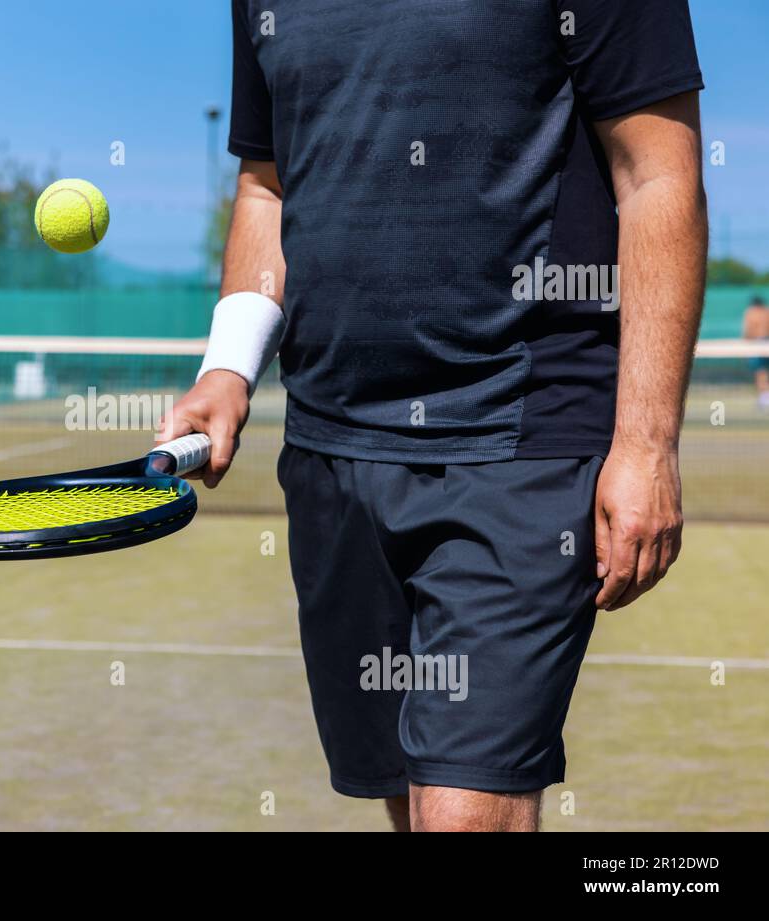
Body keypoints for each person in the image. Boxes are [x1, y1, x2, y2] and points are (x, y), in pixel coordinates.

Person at [161, 0, 706, 831]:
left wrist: (647, 442)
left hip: (521, 437)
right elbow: (265, 186)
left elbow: (657, 174)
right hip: (327, 448)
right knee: (407, 798)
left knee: (462, 813)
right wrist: (229, 366)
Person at [742, 295, 769, 411]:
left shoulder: (750, 313)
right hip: (766, 341)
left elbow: (748, 330)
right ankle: (765, 397)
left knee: (760, 372)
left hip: (756, 343)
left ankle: (764, 398)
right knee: (763, 370)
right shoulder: (767, 312)